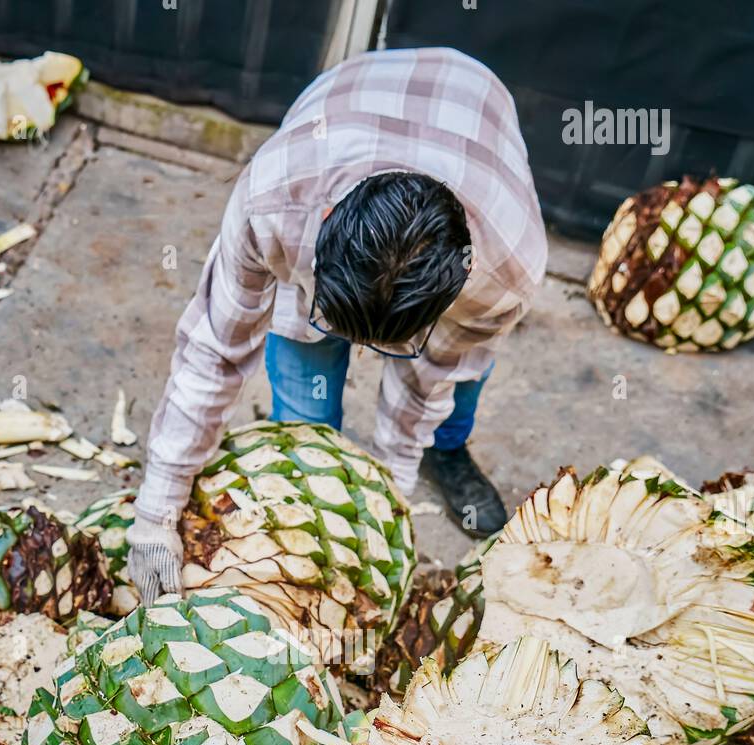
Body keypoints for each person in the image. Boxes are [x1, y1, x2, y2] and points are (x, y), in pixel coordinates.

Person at [128, 46, 547, 605]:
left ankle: (447, 452)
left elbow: (432, 376)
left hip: (472, 101)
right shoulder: (273, 199)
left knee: (458, 381)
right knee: (305, 412)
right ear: (323, 222)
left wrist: (389, 503)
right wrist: (157, 507)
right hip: (350, 95)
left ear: (462, 274)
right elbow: (214, 351)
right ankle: (310, 470)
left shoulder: (507, 267)